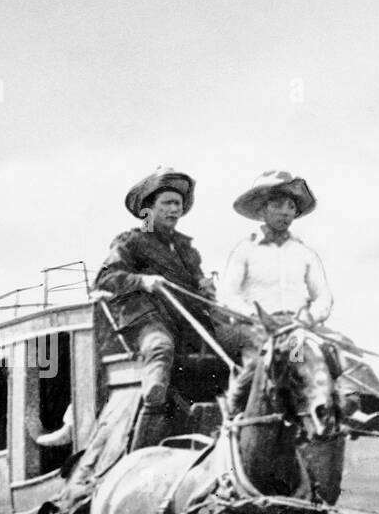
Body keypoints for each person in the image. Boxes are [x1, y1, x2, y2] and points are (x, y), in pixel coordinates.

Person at [94, 167, 223, 449]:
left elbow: (196, 286)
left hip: (188, 324)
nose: (174, 209)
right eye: (167, 203)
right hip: (148, 320)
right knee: (160, 348)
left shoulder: (187, 249)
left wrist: (204, 288)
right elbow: (106, 278)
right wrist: (142, 280)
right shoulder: (130, 242)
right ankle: (141, 449)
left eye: (177, 204)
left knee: (241, 344)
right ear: (148, 210)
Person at [220, 171, 333, 413]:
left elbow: (323, 296)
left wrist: (309, 317)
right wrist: (253, 315)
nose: (285, 211)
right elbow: (228, 295)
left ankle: (353, 407)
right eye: (278, 204)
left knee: (336, 352)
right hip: (259, 328)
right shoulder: (245, 250)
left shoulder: (305, 253)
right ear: (262, 209)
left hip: (297, 327)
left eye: (291, 206)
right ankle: (236, 414)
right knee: (263, 368)